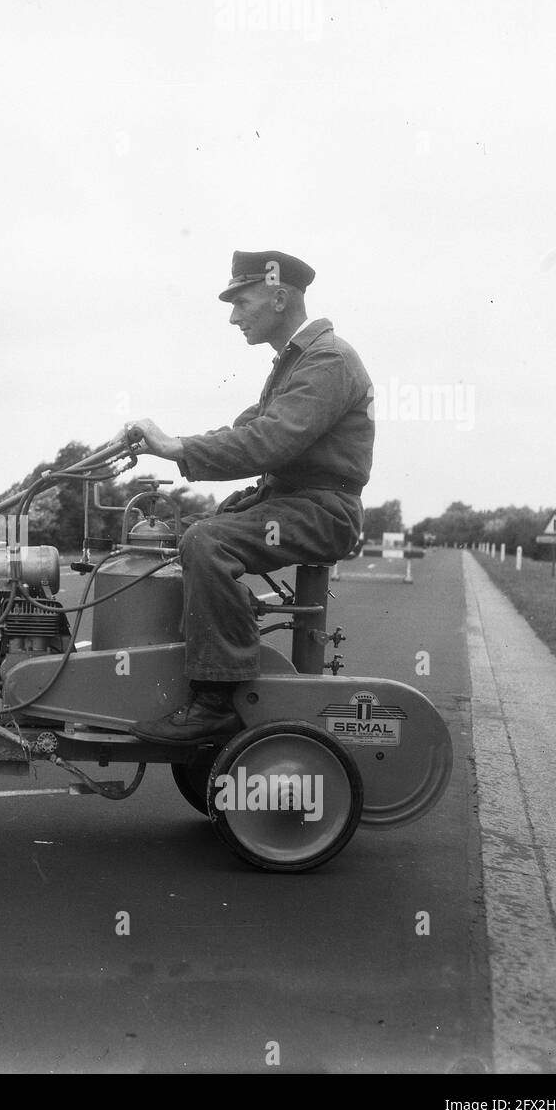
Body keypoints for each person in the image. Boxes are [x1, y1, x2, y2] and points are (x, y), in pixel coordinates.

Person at [125, 249, 374, 743]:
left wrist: (176, 447)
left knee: (207, 542)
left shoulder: (328, 360)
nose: (234, 316)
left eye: (242, 301)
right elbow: (246, 429)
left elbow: (269, 441)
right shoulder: (295, 363)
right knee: (196, 534)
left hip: (324, 510)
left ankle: (218, 699)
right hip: (295, 502)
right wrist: (167, 444)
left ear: (280, 297)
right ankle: (220, 652)